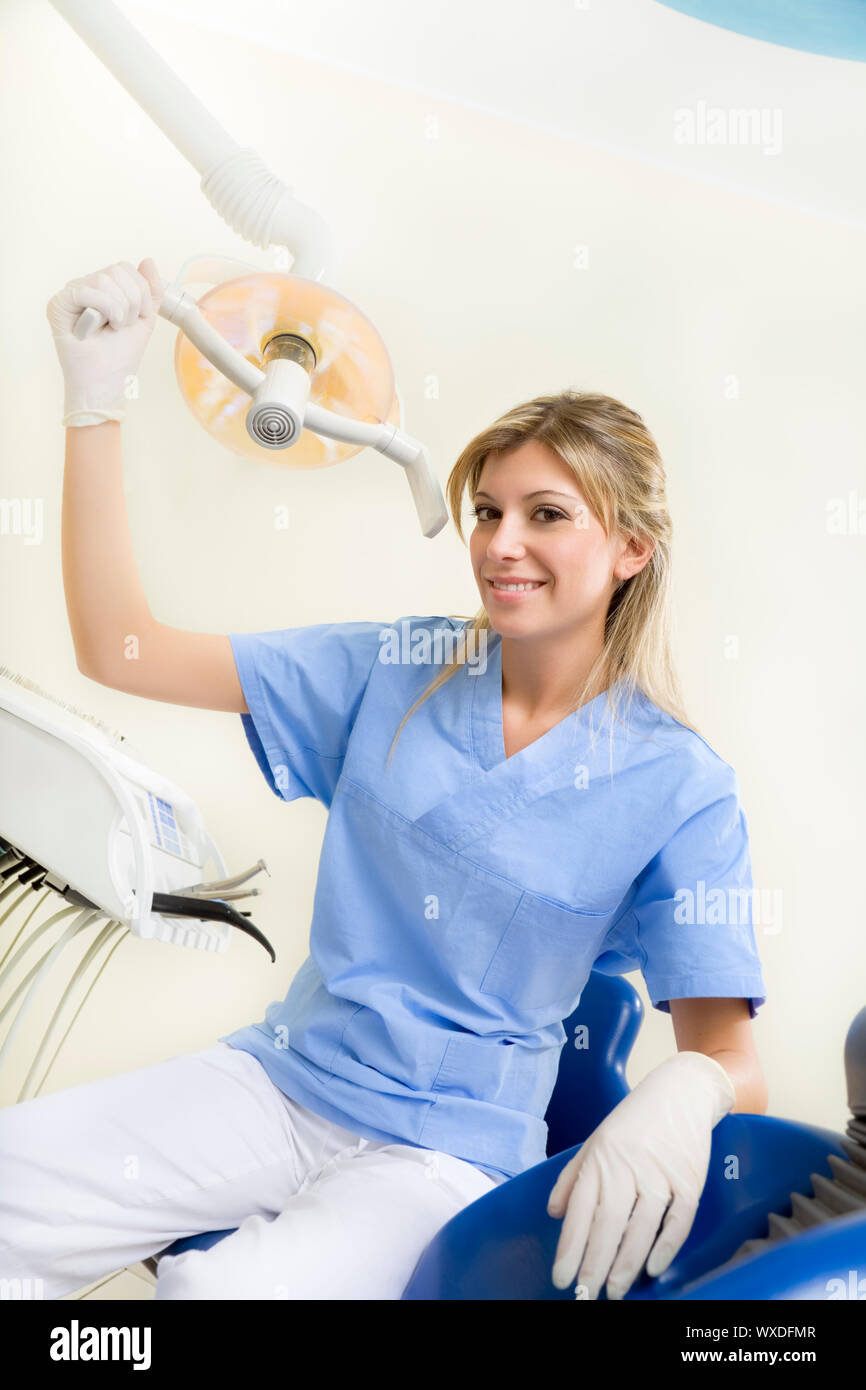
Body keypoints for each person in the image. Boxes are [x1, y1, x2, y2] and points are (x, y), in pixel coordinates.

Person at [0, 261, 768, 1302]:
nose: (500, 544)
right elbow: (122, 646)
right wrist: (94, 401)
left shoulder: (679, 785)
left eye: (545, 514)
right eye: (485, 510)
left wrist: (686, 1089)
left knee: (209, 1300)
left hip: (439, 1160)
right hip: (279, 1083)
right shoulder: (398, 666)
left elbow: (728, 1050)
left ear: (630, 546)